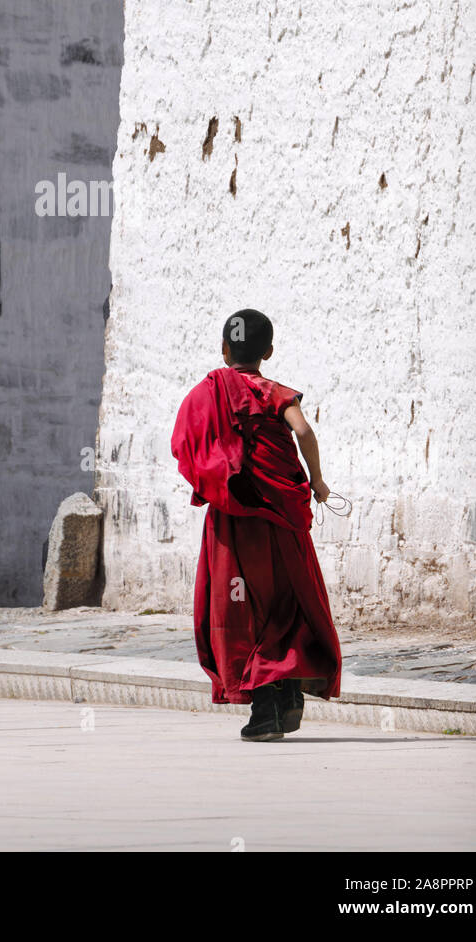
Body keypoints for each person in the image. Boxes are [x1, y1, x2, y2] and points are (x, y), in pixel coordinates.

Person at [170, 308, 342, 742]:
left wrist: (223, 481)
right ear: (267, 351)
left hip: (234, 521)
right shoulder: (276, 392)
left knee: (240, 607)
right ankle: (286, 697)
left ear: (224, 349)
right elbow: (302, 431)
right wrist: (317, 481)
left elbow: (185, 447)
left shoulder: (206, 394)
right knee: (288, 601)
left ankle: (267, 708)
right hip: (281, 517)